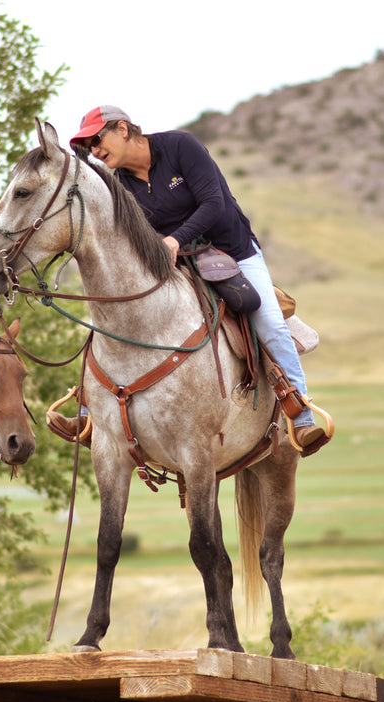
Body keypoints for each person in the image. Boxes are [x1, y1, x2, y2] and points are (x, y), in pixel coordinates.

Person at [61, 105, 328, 456]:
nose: (94, 150)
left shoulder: (180, 147)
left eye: (97, 139)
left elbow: (213, 203)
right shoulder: (121, 185)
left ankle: (301, 414)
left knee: (268, 321)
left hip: (234, 253)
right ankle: (86, 412)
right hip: (177, 264)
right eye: (87, 147)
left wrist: (174, 239)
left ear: (123, 129)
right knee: (113, 319)